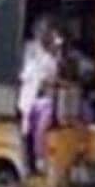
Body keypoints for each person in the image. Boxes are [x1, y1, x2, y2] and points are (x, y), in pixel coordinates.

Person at [18, 18, 62, 172]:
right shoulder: (31, 49)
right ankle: (34, 162)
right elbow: (30, 73)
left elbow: (54, 75)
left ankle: (40, 160)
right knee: (31, 129)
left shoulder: (54, 54)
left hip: (46, 99)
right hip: (31, 97)